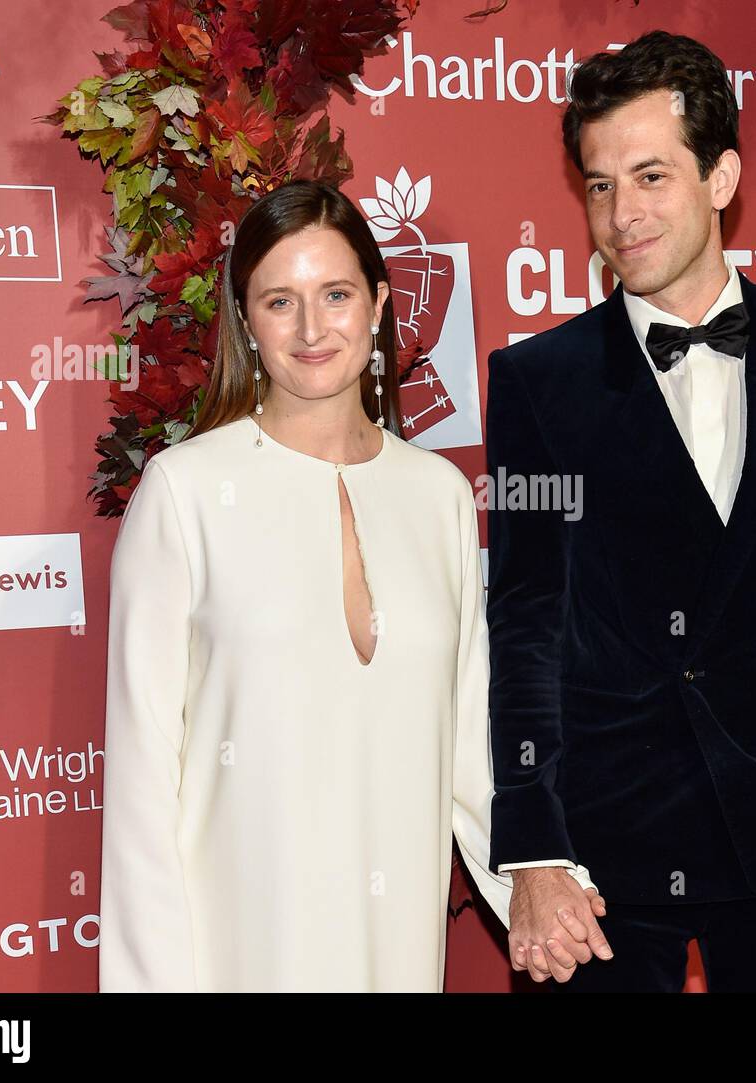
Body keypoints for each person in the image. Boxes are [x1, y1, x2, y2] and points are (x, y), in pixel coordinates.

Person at [484, 31, 756, 991]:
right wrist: (531, 841)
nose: (621, 215)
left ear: (721, 176)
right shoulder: (537, 381)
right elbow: (524, 623)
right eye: (599, 185)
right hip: (606, 843)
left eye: (650, 176)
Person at [97, 179, 598, 992]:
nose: (310, 328)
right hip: (238, 950)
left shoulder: (437, 495)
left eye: (334, 294)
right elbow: (143, 785)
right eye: (278, 301)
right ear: (246, 323)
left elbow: (472, 734)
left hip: (395, 940)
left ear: (378, 303)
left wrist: (536, 878)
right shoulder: (183, 492)